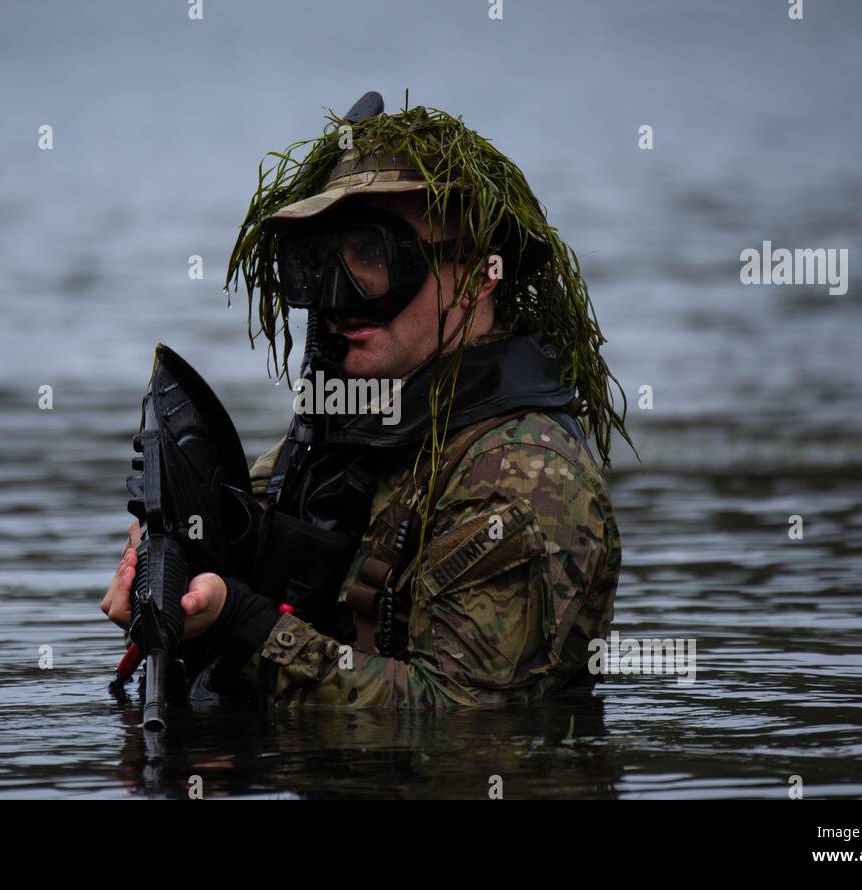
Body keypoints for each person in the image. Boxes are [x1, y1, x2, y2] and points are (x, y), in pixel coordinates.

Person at [102, 93, 628, 708]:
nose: (340, 296)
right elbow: (241, 550)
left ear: (484, 272)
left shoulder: (522, 478)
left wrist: (241, 627)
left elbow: (463, 721)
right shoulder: (350, 433)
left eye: (374, 258)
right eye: (321, 263)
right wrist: (174, 574)